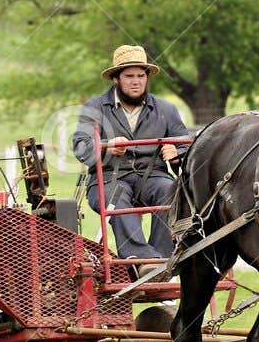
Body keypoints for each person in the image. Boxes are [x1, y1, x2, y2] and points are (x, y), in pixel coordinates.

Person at [72, 45, 188, 262]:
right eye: (129, 76)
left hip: (153, 176)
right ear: (116, 79)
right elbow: (80, 146)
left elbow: (185, 146)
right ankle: (140, 260)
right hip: (108, 179)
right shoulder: (95, 107)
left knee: (171, 191)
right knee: (116, 198)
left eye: (141, 76)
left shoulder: (166, 110)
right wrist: (107, 146)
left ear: (147, 78)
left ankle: (162, 262)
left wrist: (176, 152)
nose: (136, 81)